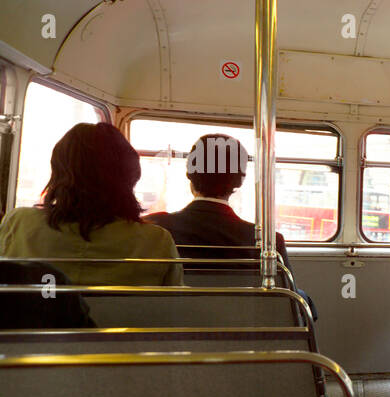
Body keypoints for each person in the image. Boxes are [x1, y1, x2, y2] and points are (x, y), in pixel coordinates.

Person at [0, 122, 181, 286]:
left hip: (34, 322)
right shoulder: (156, 241)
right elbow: (175, 304)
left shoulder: (19, 223)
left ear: (58, 171)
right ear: (130, 176)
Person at [144, 134, 292, 273]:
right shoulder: (269, 242)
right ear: (239, 181)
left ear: (189, 174)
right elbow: (285, 296)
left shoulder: (154, 226)